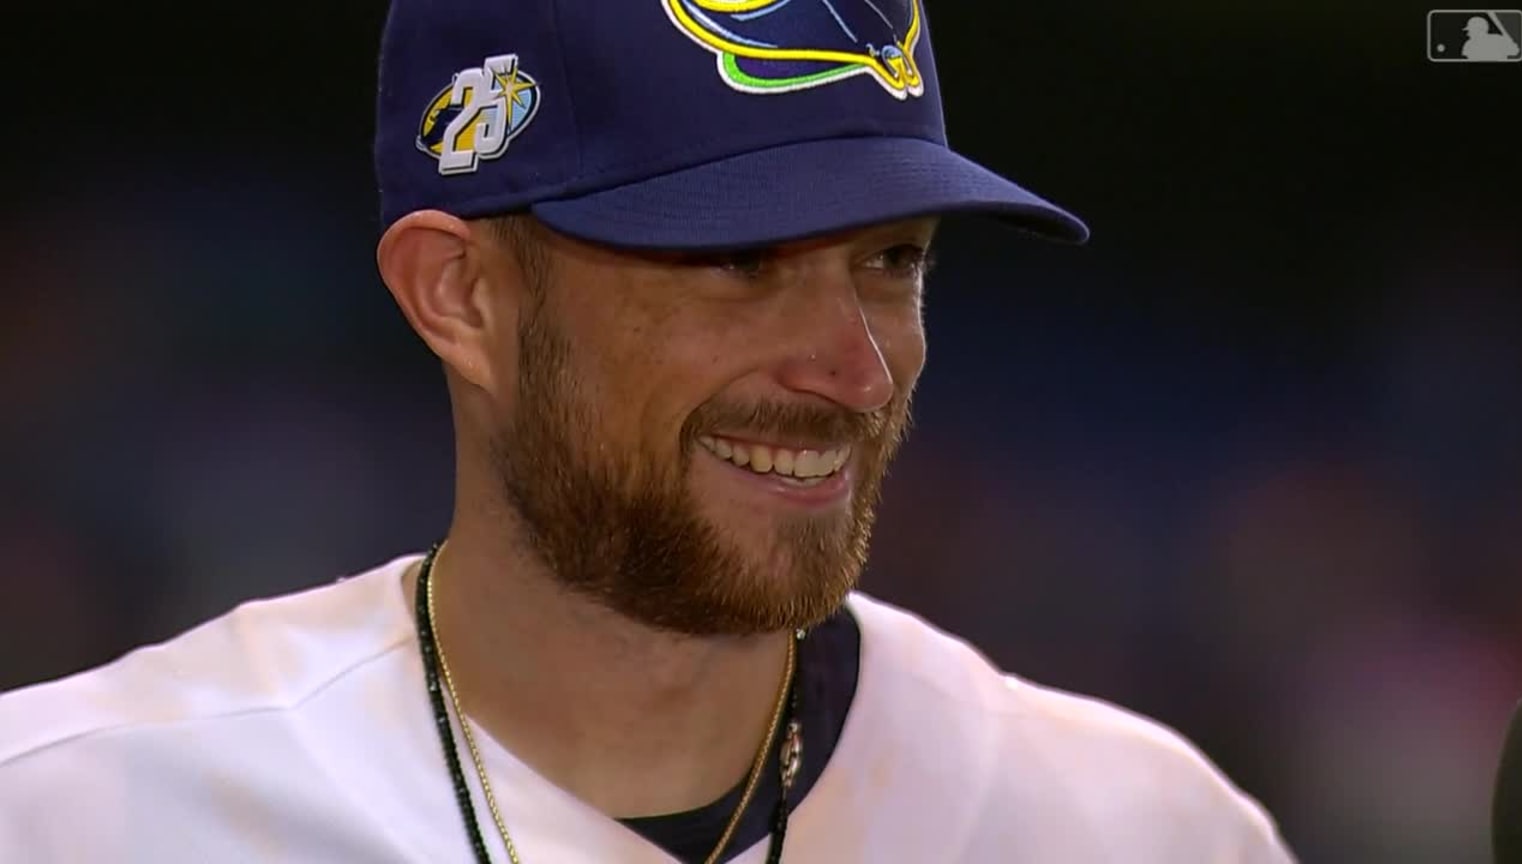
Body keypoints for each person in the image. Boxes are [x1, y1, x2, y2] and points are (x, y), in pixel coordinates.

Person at [0, 0, 1297, 861]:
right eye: (735, 259)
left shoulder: (1139, 828)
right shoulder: (80, 810)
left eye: (893, 258)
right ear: (462, 296)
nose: (851, 366)